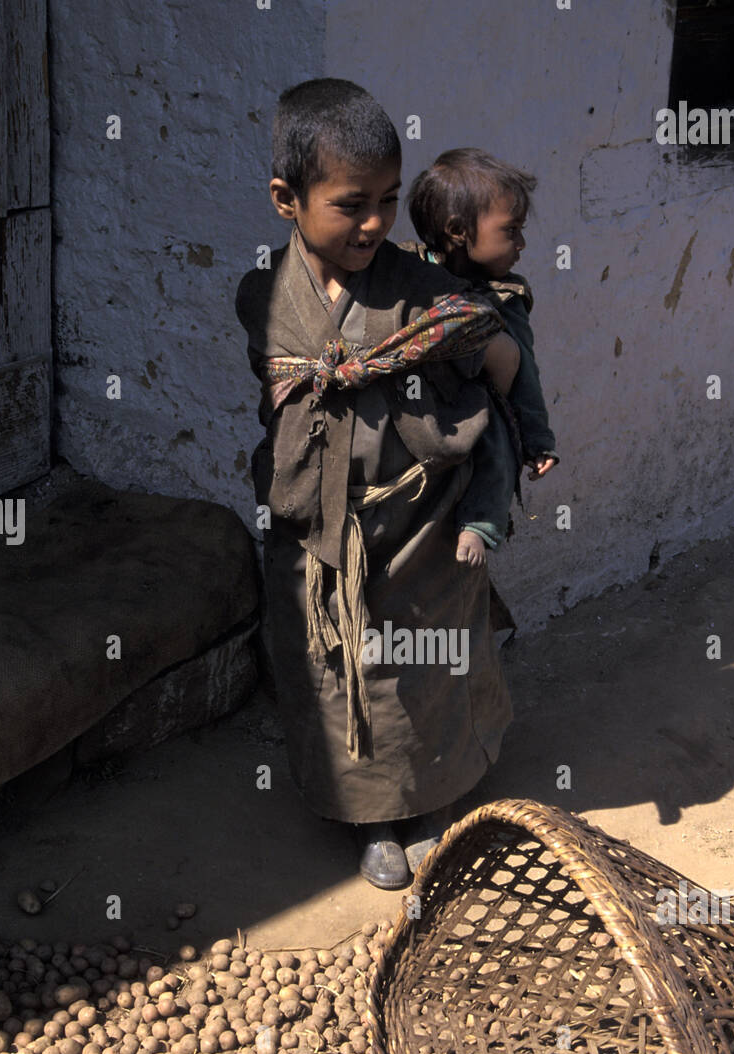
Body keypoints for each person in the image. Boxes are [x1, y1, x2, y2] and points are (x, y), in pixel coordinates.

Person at [235, 80, 518, 889]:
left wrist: (494, 389)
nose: (373, 224)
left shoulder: (421, 295)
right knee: (331, 674)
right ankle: (369, 818)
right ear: (286, 199)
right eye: (351, 204)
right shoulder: (264, 299)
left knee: (416, 676)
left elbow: (490, 346)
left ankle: (424, 802)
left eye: (389, 203)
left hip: (415, 532)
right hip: (314, 533)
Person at [406, 148, 559, 568]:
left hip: (478, 399)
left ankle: (480, 523)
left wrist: (538, 442)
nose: (522, 244)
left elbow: (525, 372)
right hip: (422, 409)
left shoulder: (504, 298)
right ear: (457, 230)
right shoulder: (411, 273)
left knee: (492, 438)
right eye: (511, 231)